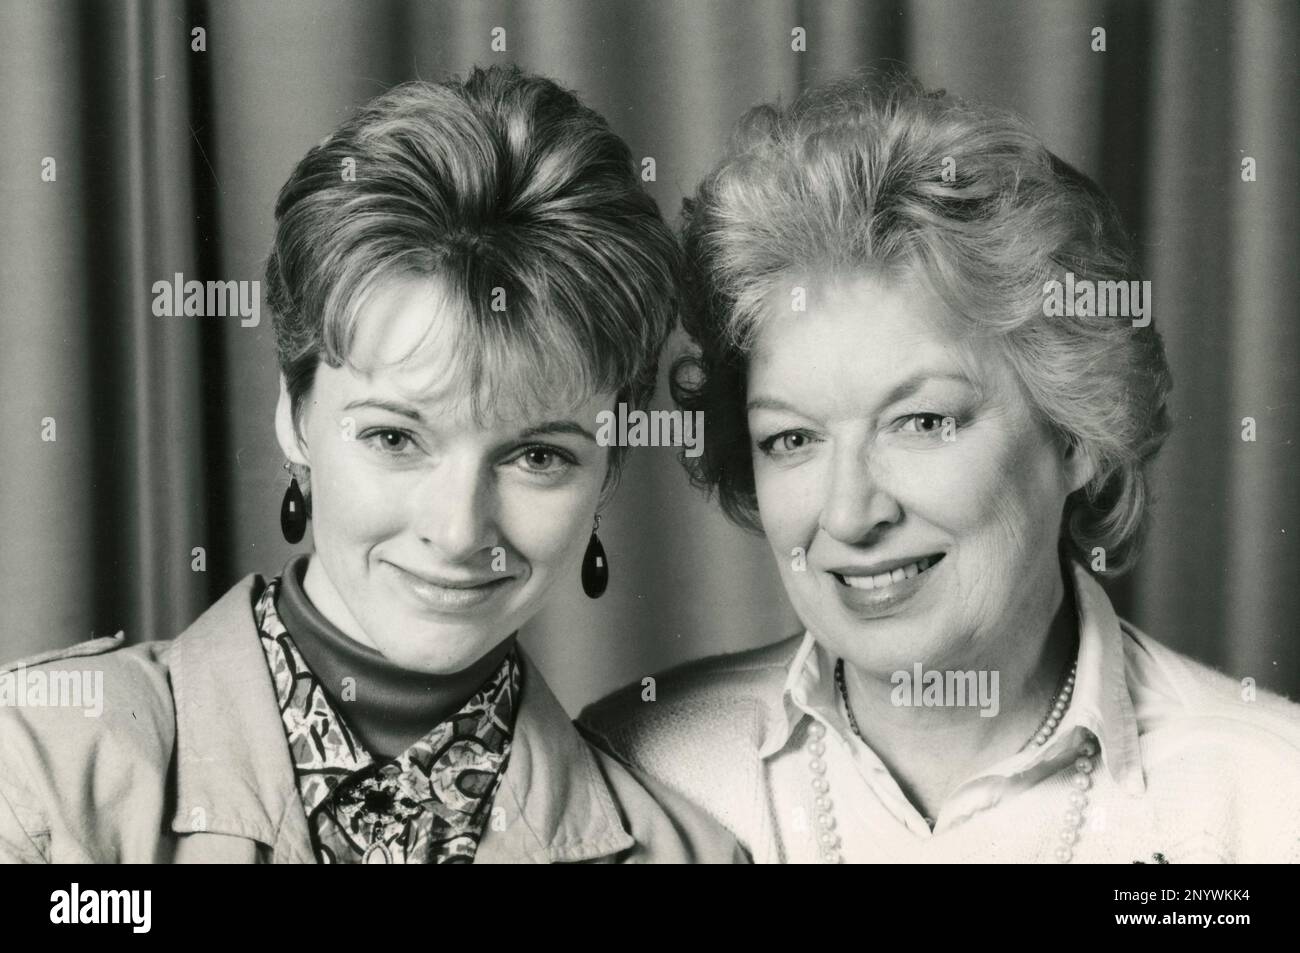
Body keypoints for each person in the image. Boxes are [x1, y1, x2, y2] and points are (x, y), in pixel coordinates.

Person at [0, 65, 744, 864]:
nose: (459, 531)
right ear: (293, 416)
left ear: (609, 465)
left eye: (537, 455)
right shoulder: (39, 766)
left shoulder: (684, 854)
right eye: (395, 438)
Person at [581, 74, 1300, 863]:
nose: (851, 514)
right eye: (792, 439)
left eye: (922, 421)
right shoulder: (639, 780)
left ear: (1076, 434)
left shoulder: (1270, 797)